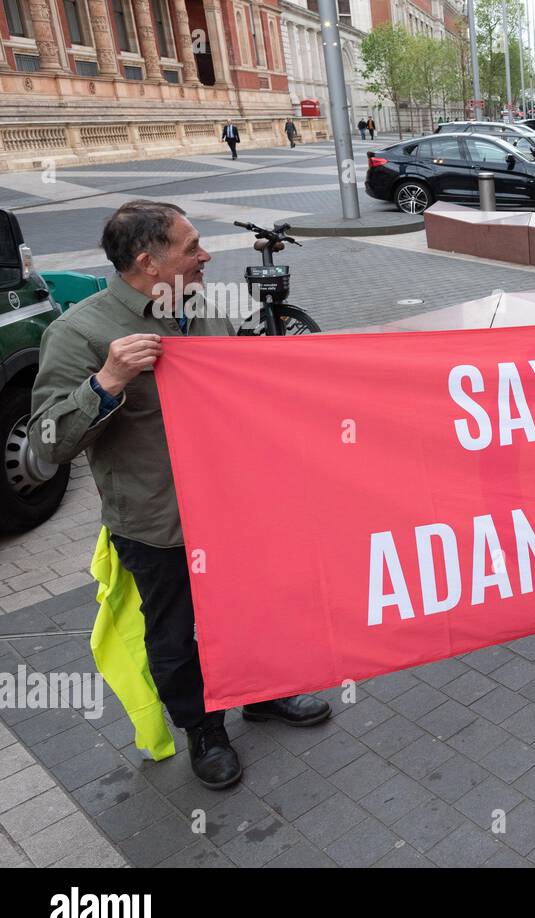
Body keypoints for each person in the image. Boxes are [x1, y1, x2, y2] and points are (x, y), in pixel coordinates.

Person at [30, 201, 331, 790]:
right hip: (157, 522)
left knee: (253, 610)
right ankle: (205, 731)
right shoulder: (80, 333)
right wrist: (105, 384)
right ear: (148, 261)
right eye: (191, 247)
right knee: (175, 635)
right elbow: (47, 443)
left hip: (233, 510)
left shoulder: (207, 309)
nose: (206, 256)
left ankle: (264, 696)